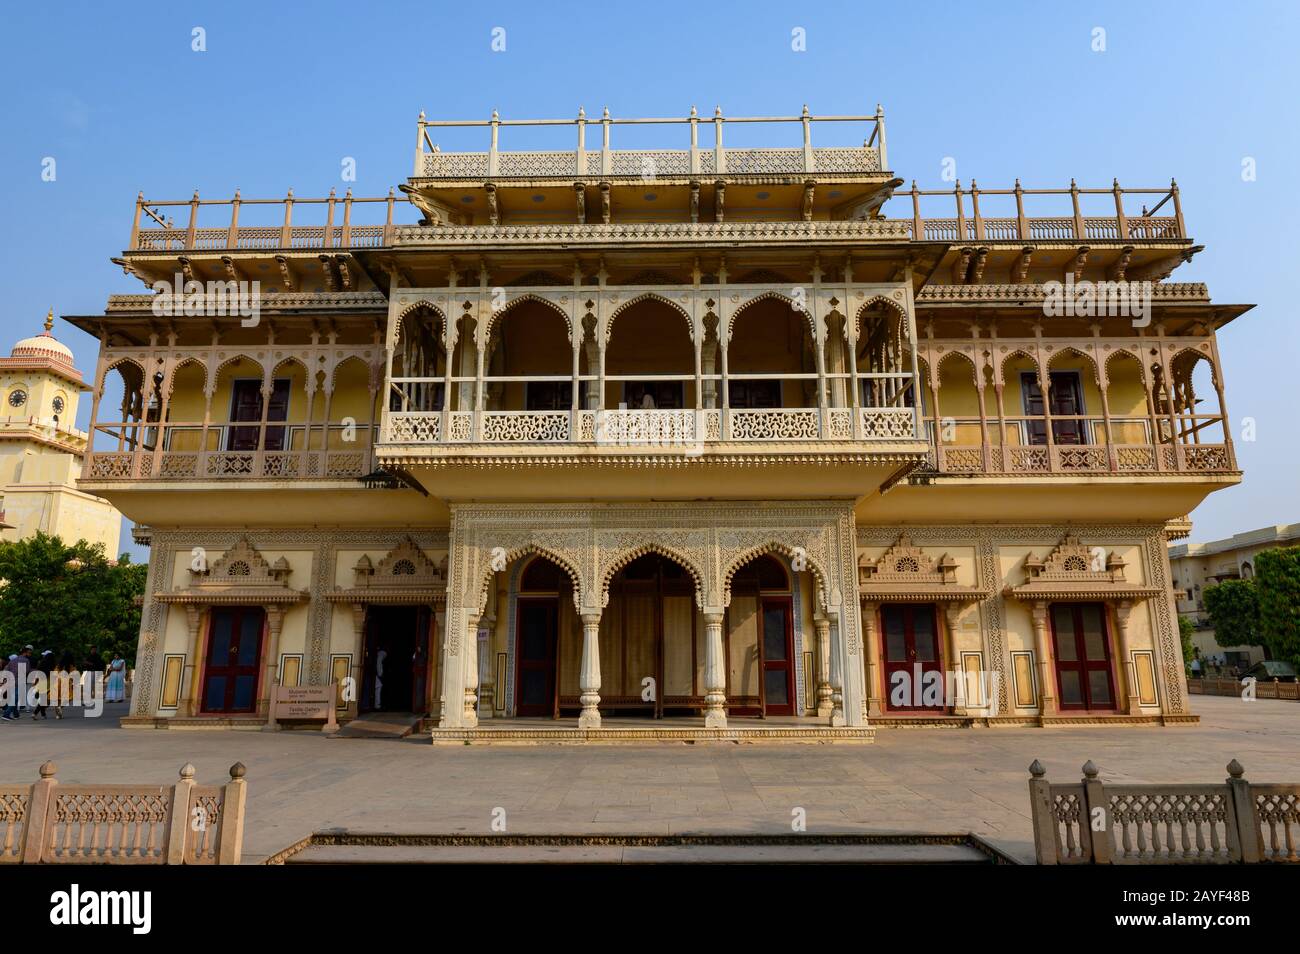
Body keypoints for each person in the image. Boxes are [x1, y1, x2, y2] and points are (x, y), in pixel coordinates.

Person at [3, 648, 34, 721]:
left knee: (14, 698)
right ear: (25, 653)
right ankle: (6, 714)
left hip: (11, 681)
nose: (30, 655)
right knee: (15, 698)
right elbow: (26, 671)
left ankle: (16, 714)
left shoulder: (12, 660)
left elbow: (7, 670)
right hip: (19, 681)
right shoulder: (26, 660)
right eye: (29, 653)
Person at [53, 650, 77, 719]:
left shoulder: (59, 665)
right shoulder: (71, 666)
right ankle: (60, 707)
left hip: (57, 682)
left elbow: (54, 673)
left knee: (57, 698)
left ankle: (57, 715)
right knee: (68, 697)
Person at [31, 650, 54, 719]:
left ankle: (43, 715)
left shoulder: (42, 663)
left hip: (41, 683)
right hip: (49, 684)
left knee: (43, 699)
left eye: (44, 655)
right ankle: (35, 713)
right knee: (44, 700)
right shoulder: (53, 664)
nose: (43, 656)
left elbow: (38, 674)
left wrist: (35, 682)